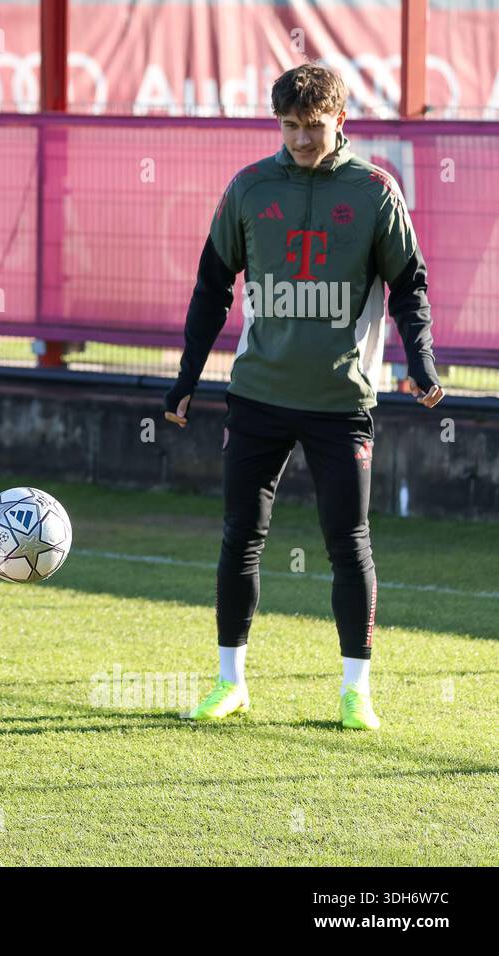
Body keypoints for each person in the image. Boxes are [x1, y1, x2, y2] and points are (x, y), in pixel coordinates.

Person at [164, 63, 444, 730]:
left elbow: (409, 288)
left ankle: (356, 691)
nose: (298, 139)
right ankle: (230, 682)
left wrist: (422, 364)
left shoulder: (376, 191)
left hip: (342, 402)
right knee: (241, 539)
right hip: (258, 395)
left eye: (312, 127)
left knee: (348, 545)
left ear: (340, 120)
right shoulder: (250, 188)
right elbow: (211, 288)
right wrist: (186, 379)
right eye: (288, 126)